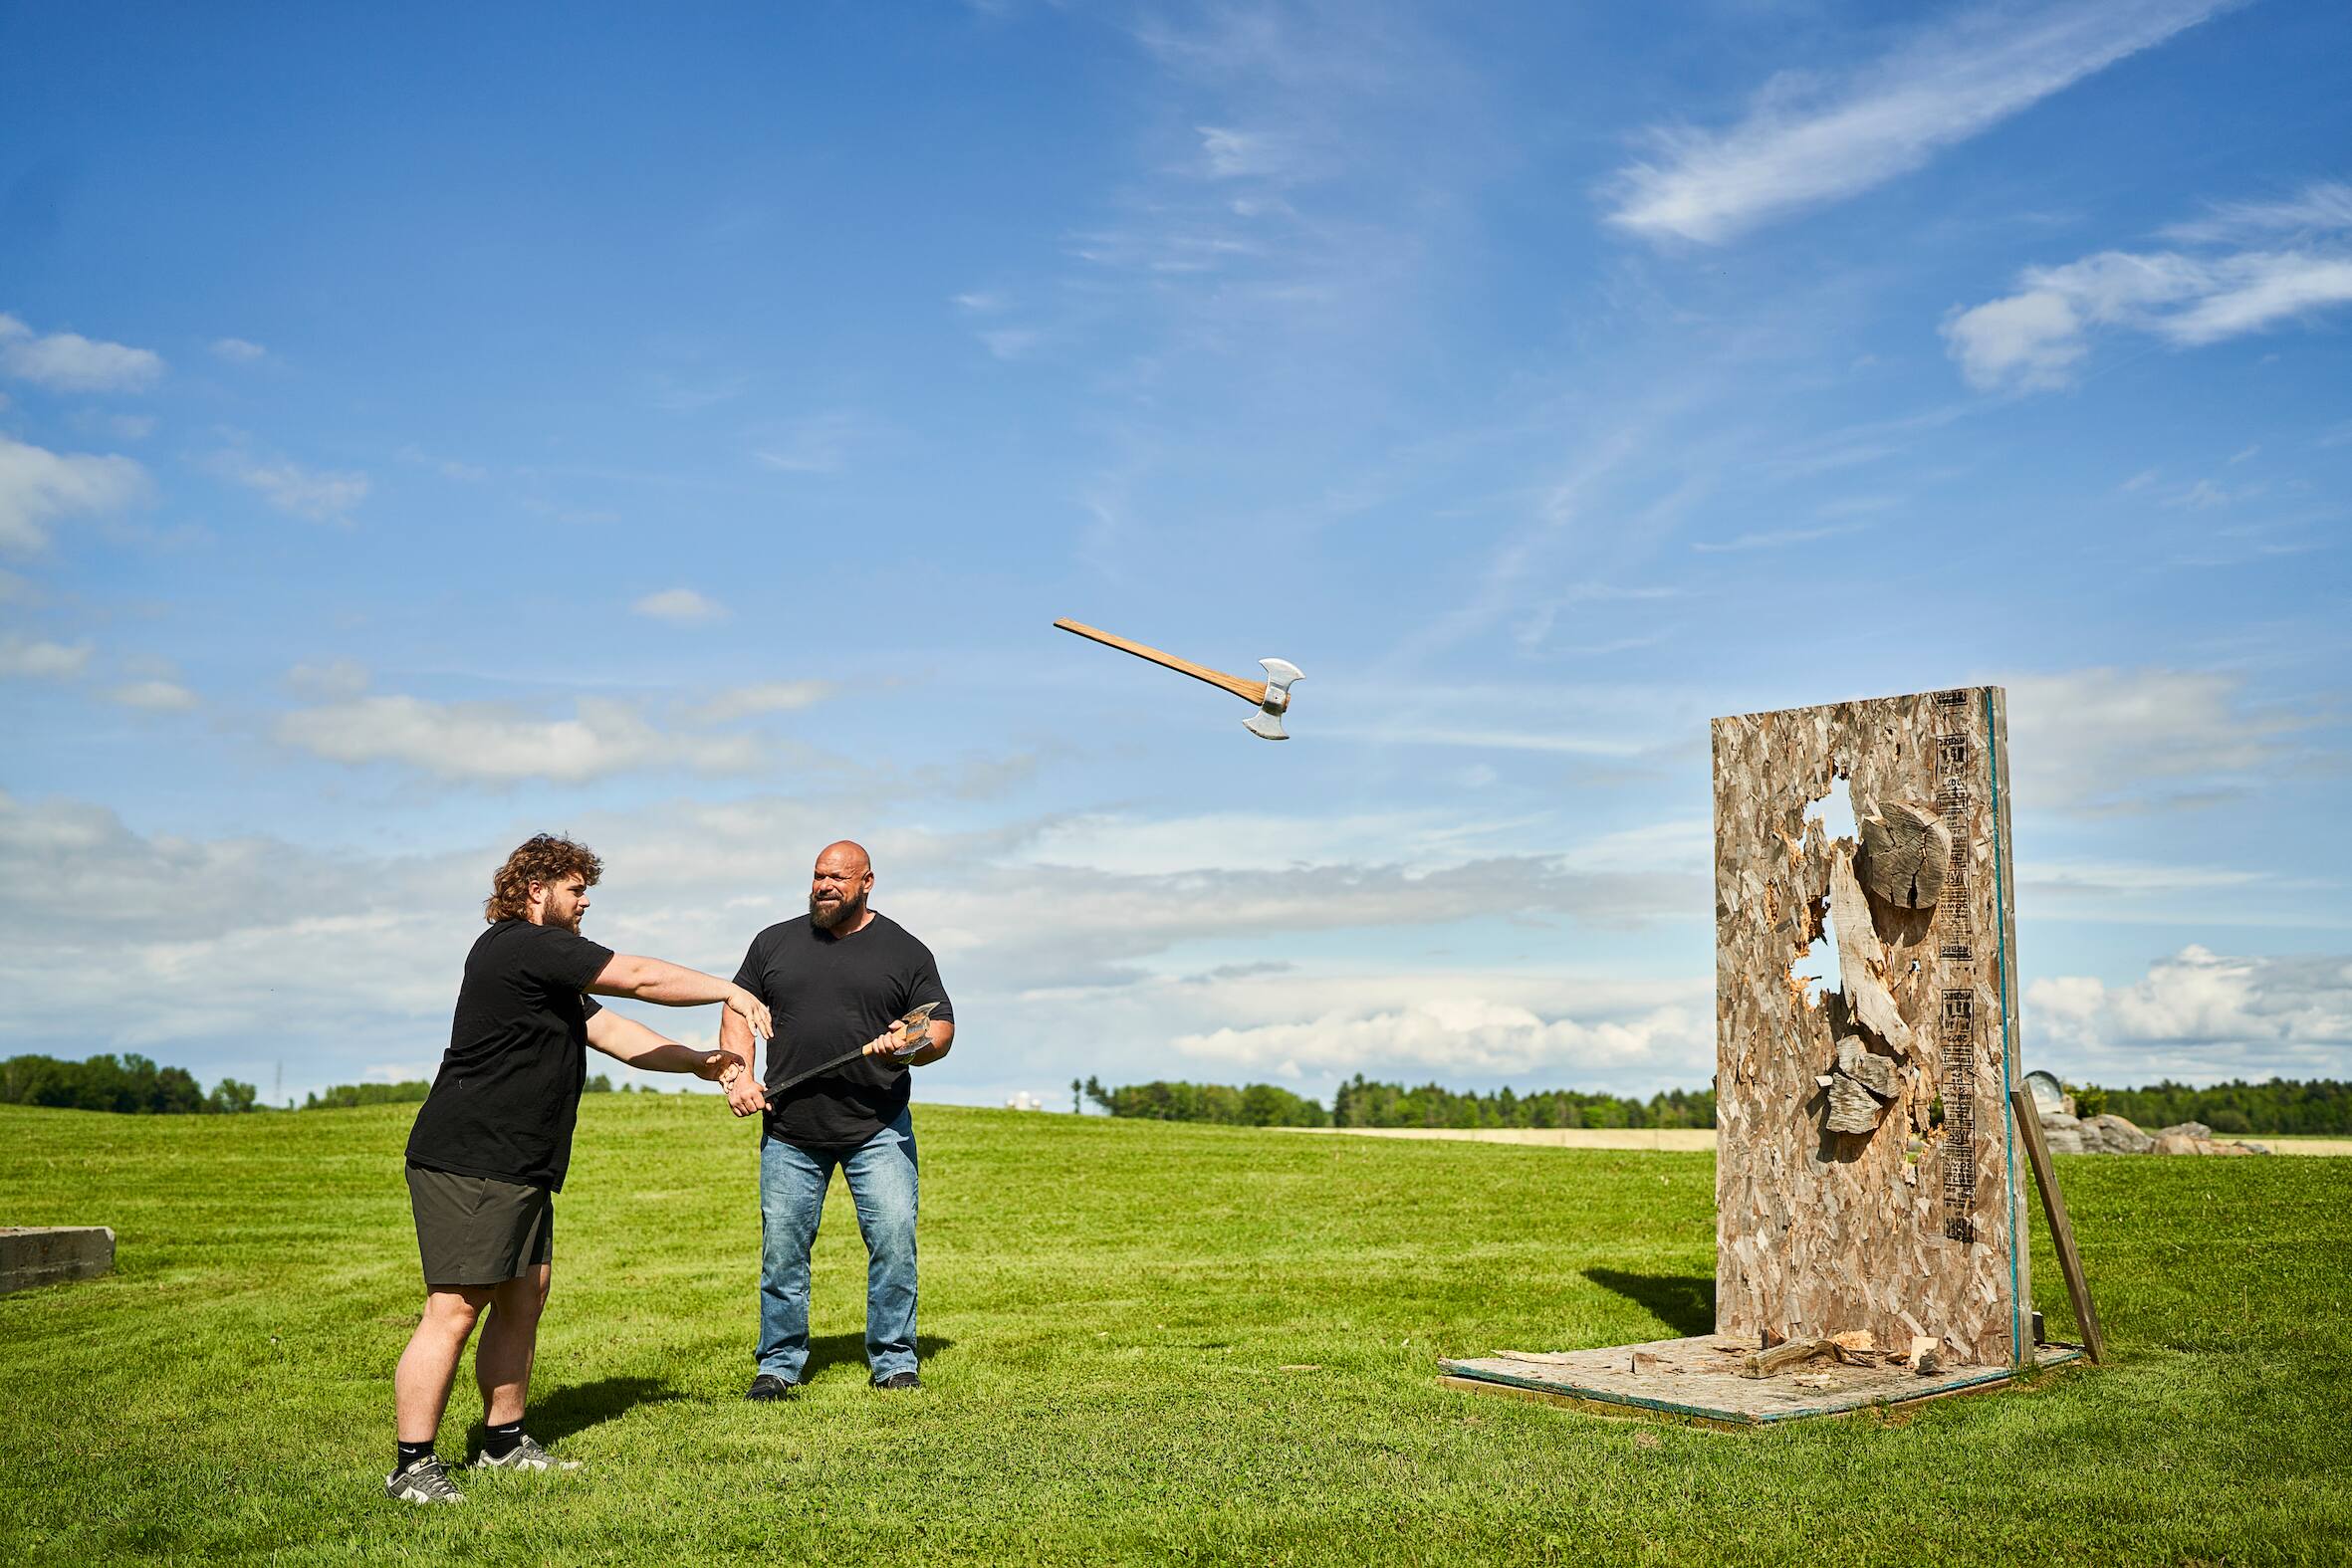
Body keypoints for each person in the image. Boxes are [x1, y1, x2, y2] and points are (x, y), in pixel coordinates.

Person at [387, 833, 774, 1505]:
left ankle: (503, 1442)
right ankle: (411, 1466)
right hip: (472, 1157)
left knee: (523, 1296)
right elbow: (640, 977)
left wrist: (696, 1061)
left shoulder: (543, 969)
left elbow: (614, 1032)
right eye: (575, 888)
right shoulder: (521, 944)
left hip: (521, 1164)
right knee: (454, 1308)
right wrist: (730, 991)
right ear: (536, 890)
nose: (585, 900)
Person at [719, 839, 954, 1400]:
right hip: (790, 1130)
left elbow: (940, 1030)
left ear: (866, 882)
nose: (824, 886)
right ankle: (778, 1366)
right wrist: (740, 1075)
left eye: (837, 878)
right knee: (783, 1254)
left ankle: (894, 1361)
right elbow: (736, 1008)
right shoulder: (773, 942)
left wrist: (908, 1044)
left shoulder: (905, 951)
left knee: (893, 1243)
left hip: (878, 1127)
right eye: (818, 876)